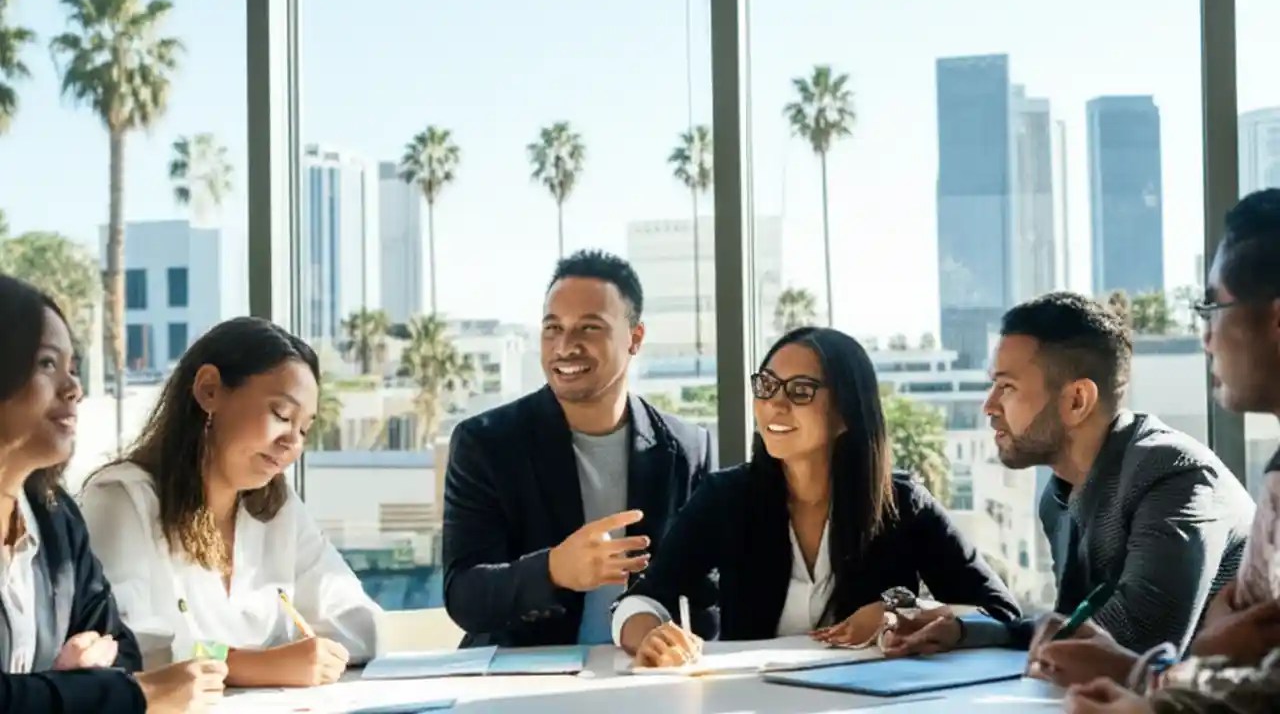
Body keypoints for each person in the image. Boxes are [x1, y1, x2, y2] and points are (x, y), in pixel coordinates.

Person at [880, 292, 1255, 664]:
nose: (989, 406)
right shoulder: (1058, 496)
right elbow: (1076, 625)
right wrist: (964, 631)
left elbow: (1138, 639)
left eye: (1007, 387)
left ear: (1077, 400)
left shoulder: (1175, 477)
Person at [612, 327, 1021, 666]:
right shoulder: (727, 498)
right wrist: (651, 635)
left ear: (846, 413)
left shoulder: (902, 504)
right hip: (749, 702)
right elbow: (640, 601)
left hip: (869, 704)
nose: (775, 403)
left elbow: (1000, 612)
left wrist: (903, 610)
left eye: (801, 391)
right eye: (767, 385)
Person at [1052, 189, 1280, 712]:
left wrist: (1145, 703)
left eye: (1213, 309)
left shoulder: (1170, 471)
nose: (1206, 337)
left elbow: (1258, 668)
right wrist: (1141, 676)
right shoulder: (1276, 478)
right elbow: (1229, 638)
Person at [78, 317, 381, 688]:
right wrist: (252, 665)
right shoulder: (122, 500)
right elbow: (130, 651)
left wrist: (305, 657)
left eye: (304, 429)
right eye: (281, 415)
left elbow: (361, 623)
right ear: (209, 390)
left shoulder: (277, 508)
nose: (293, 443)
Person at [443, 250, 716, 647]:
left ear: (634, 338)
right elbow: (463, 595)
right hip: (521, 683)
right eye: (552, 328)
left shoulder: (687, 448)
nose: (565, 346)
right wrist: (553, 570)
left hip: (644, 676)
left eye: (589, 328)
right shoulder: (485, 443)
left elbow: (705, 593)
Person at [0, 274, 226, 713]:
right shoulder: (116, 495)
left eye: (73, 368)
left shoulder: (54, 515)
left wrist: (63, 692)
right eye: (47, 364)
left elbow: (122, 651)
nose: (73, 389)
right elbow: (128, 684)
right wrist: (94, 692)